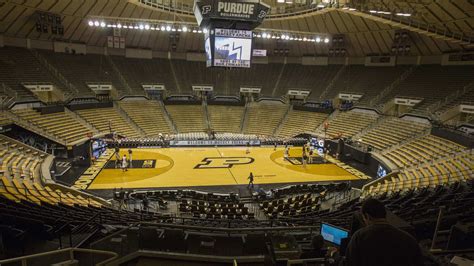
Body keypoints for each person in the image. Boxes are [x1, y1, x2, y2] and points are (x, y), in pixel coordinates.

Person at [345, 198, 423, 266]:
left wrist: (334, 254)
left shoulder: (359, 237)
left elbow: (349, 262)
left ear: (367, 216)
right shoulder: (409, 239)